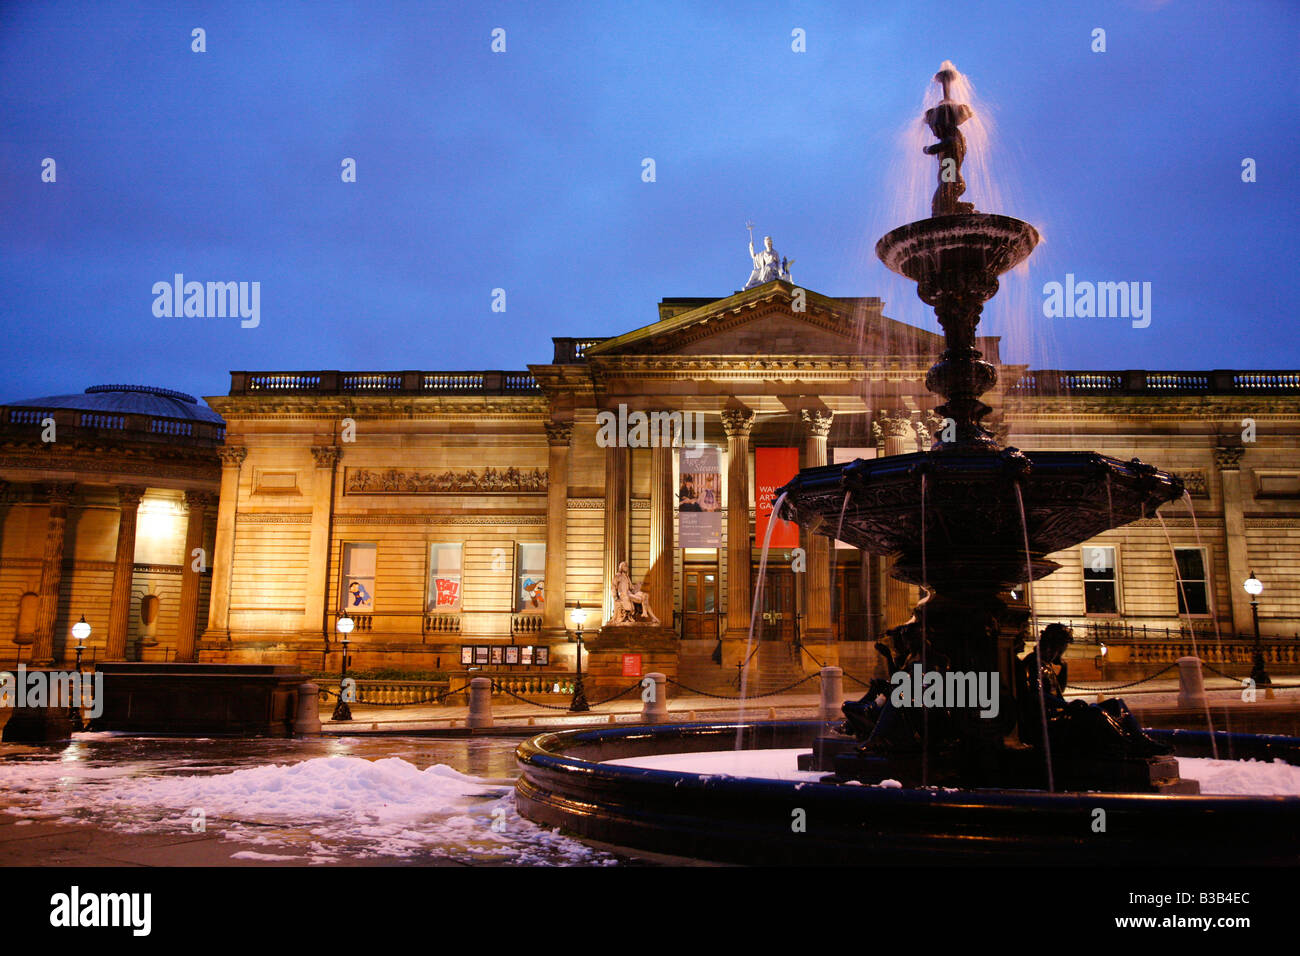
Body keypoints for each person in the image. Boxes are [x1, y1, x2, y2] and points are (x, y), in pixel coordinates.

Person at [1021, 623, 1169, 758]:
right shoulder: (1034, 663)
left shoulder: (1045, 664)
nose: (1065, 650)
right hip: (1050, 721)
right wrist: (1067, 706)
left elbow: (1059, 690)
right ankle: (1131, 744)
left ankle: (1141, 739)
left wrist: (1064, 667)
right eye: (1064, 646)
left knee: (1116, 703)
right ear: (1056, 645)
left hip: (1060, 714)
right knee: (1095, 713)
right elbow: (1036, 695)